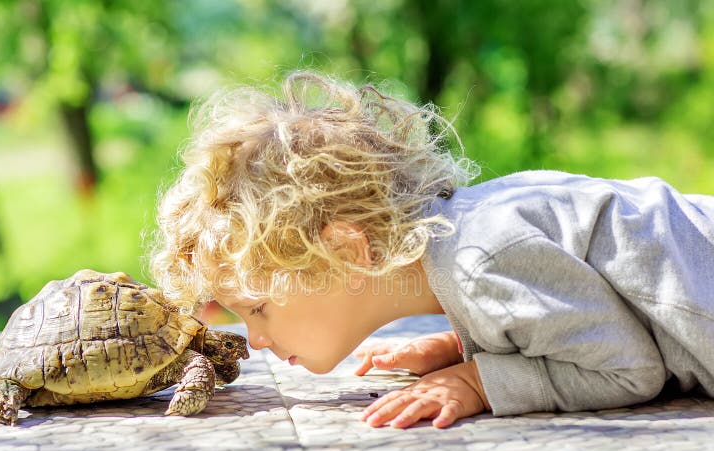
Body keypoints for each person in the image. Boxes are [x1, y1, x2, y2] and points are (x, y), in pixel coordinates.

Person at [149, 71, 714, 429]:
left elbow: (628, 368)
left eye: (258, 308)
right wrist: (464, 344)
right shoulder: (468, 244)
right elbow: (579, 313)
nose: (254, 339)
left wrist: (478, 382)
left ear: (348, 252)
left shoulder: (481, 263)